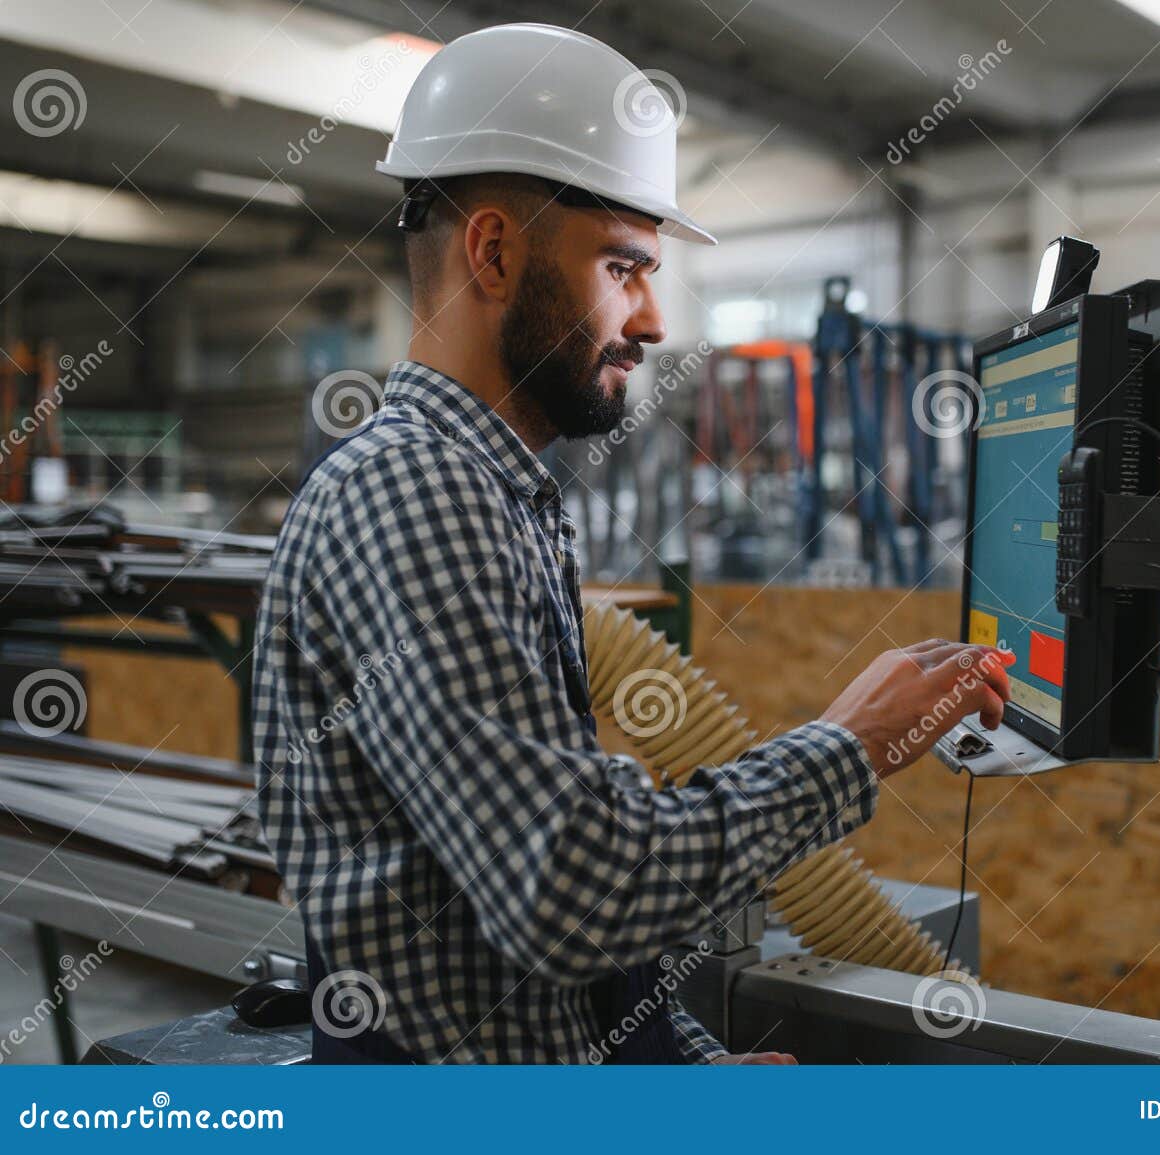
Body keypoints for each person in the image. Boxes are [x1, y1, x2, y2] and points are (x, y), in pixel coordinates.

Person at [252, 23, 1012, 1066]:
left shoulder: (504, 496)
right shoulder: (414, 492)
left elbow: (538, 963)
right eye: (624, 266)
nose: (654, 318)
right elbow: (571, 895)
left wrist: (693, 1077)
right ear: (493, 251)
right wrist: (847, 745)